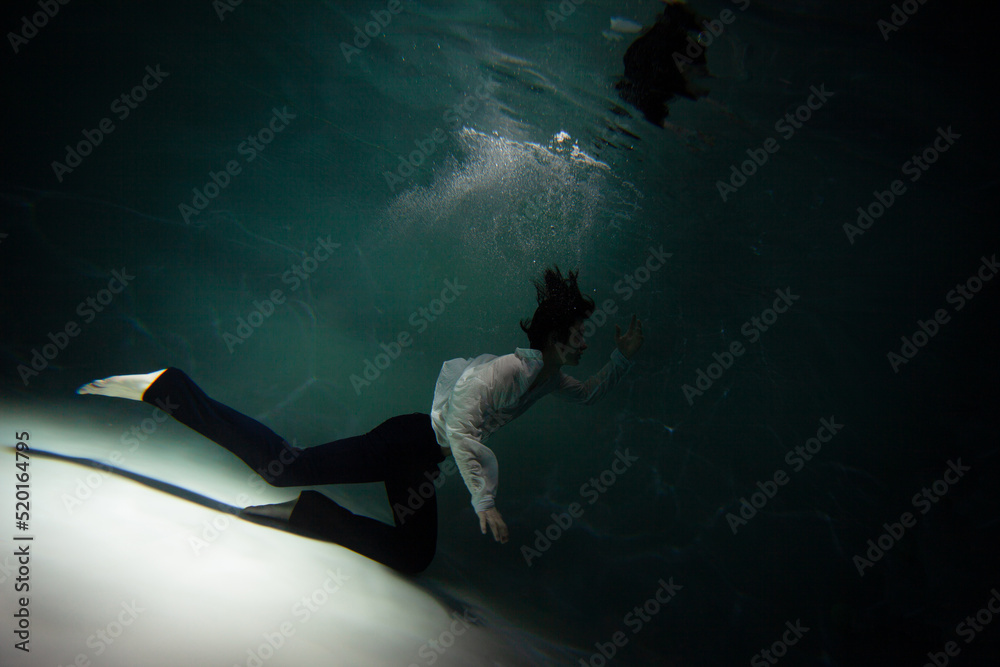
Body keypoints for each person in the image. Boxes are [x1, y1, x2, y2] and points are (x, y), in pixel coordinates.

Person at [76, 266, 643, 574]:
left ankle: (310, 513)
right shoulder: (505, 371)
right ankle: (168, 388)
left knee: (414, 556)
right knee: (283, 465)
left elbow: (589, 394)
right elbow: (464, 430)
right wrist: (484, 501)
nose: (584, 341)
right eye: (578, 334)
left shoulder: (545, 377)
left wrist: (623, 358)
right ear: (551, 335)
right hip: (408, 441)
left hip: (421, 457)